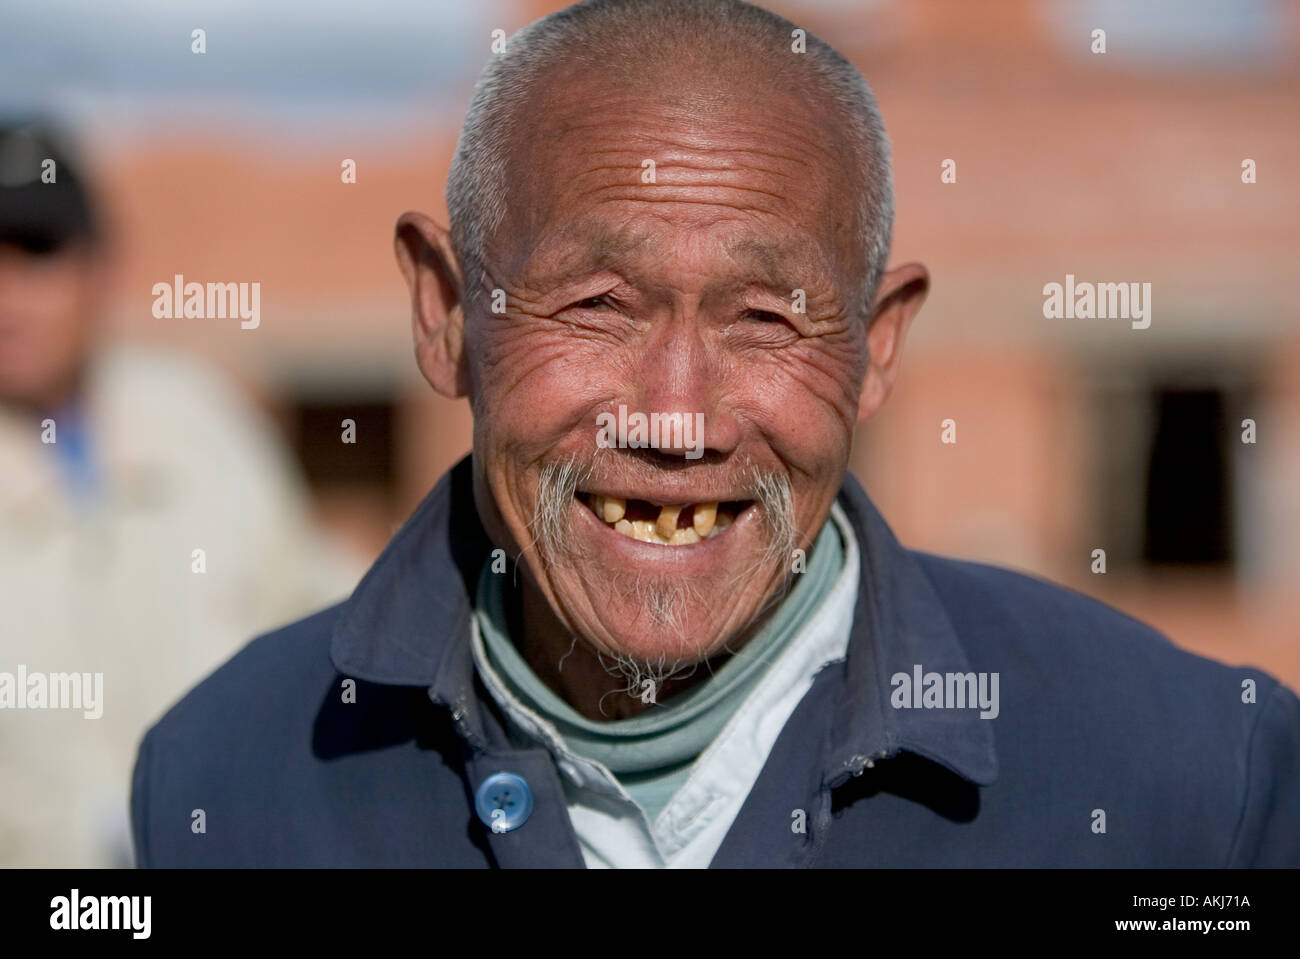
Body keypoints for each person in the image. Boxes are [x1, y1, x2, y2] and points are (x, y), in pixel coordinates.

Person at [131, 0, 1300, 868]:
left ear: (875, 346)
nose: (676, 414)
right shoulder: (230, 778)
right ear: (447, 314)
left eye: (765, 317)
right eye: (597, 306)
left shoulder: (1194, 781)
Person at [0, 121, 361, 866]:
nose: (10, 295)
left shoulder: (199, 423)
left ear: (99, 267)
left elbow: (328, 621)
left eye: (36, 253)